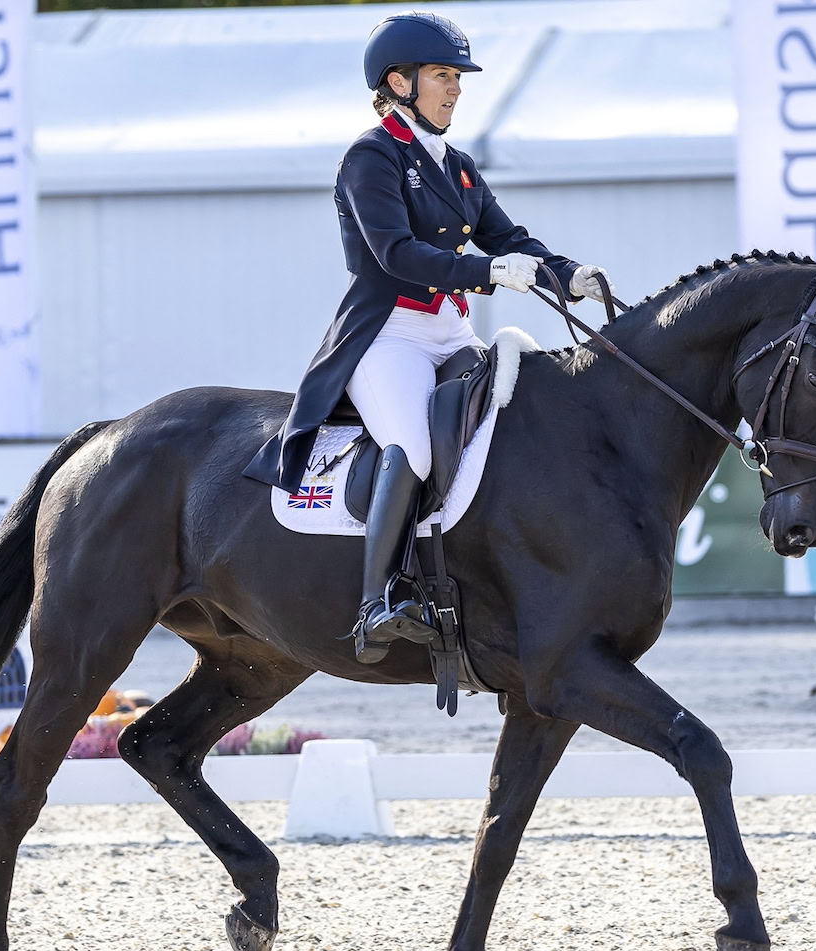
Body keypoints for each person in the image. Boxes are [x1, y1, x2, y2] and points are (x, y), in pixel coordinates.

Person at [242, 11, 612, 665]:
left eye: (456, 77)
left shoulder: (459, 167)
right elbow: (395, 255)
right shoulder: (370, 157)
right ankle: (375, 605)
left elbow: (510, 240)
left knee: (520, 419)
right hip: (388, 336)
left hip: (451, 331)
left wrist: (567, 275)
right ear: (399, 81)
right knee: (411, 443)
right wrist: (487, 272)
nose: (456, 89)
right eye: (443, 76)